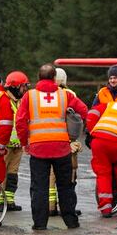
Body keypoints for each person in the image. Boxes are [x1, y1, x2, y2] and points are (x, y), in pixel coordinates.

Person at [16, 63, 88, 231]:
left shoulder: (29, 96)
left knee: (39, 187)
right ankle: (71, 221)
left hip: (38, 148)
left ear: (38, 78)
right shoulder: (64, 95)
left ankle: (40, 224)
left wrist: (24, 142)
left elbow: (20, 121)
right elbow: (83, 110)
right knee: (65, 186)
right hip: (61, 148)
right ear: (55, 78)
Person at [48, 68, 83, 216]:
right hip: (66, 140)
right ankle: (67, 207)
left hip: (47, 139)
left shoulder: (43, 95)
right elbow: (80, 113)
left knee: (51, 176)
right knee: (69, 174)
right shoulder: (69, 94)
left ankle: (50, 207)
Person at [3, 71, 31, 211]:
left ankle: (9, 200)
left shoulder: (20, 101)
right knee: (1, 173)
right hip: (6, 145)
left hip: (17, 144)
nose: (25, 90)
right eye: (23, 86)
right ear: (15, 86)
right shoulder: (4, 100)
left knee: (12, 174)